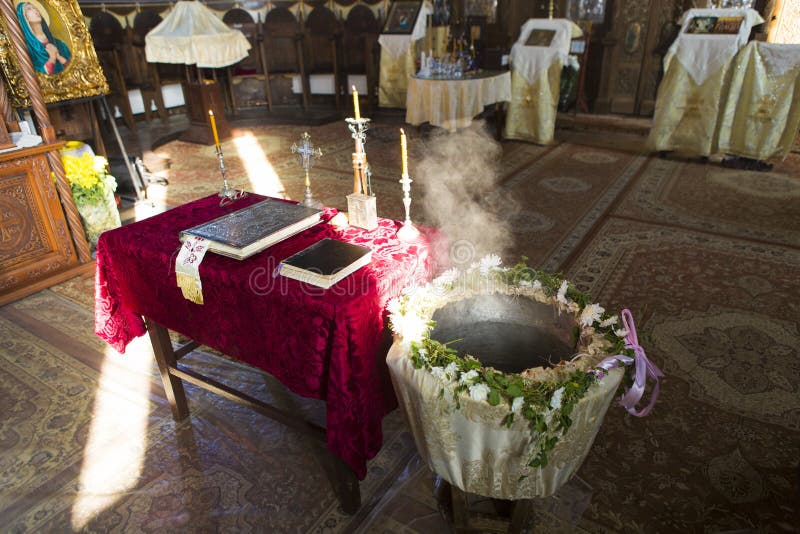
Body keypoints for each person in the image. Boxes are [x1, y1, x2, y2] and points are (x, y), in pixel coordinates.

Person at [16, 1, 70, 74]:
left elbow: (75, 70)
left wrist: (60, 58)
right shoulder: (27, 49)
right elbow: (34, 76)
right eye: (29, 9)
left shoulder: (60, 45)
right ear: (24, 17)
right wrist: (52, 58)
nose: (35, 11)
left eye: (35, 8)